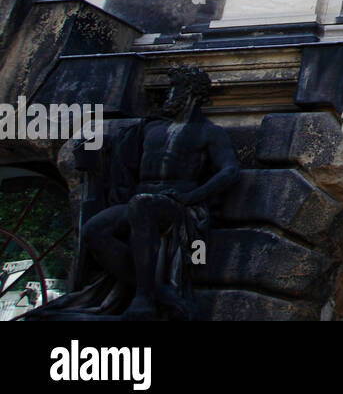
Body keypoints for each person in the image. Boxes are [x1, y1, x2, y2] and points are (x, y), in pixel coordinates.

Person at [23, 65, 239, 320]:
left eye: (176, 88)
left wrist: (191, 197)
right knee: (95, 229)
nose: (170, 94)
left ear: (192, 92)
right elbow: (119, 157)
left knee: (142, 204)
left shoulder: (209, 133)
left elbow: (229, 171)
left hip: (180, 207)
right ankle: (161, 293)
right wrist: (95, 153)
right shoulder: (150, 129)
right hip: (142, 200)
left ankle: (144, 299)